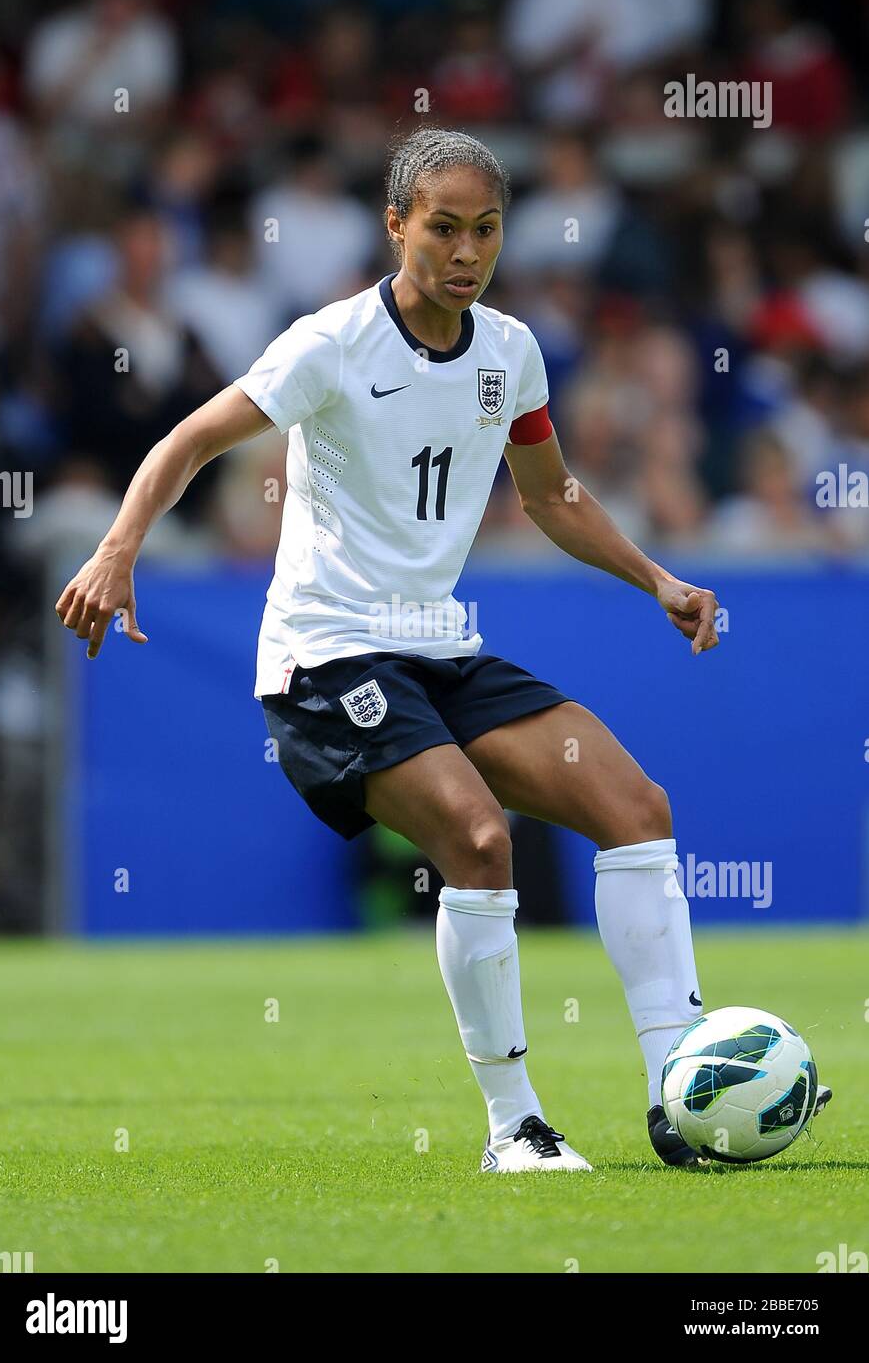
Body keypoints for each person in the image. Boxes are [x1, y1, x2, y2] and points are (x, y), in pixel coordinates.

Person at [55, 127, 828, 1173]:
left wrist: (657, 579)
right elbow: (186, 440)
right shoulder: (328, 343)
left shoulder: (508, 352)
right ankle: (514, 1125)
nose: (466, 252)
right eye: (443, 229)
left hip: (440, 647)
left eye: (485, 231)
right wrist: (116, 549)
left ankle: (673, 1093)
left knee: (636, 810)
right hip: (327, 659)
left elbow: (551, 495)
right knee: (476, 838)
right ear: (395, 227)